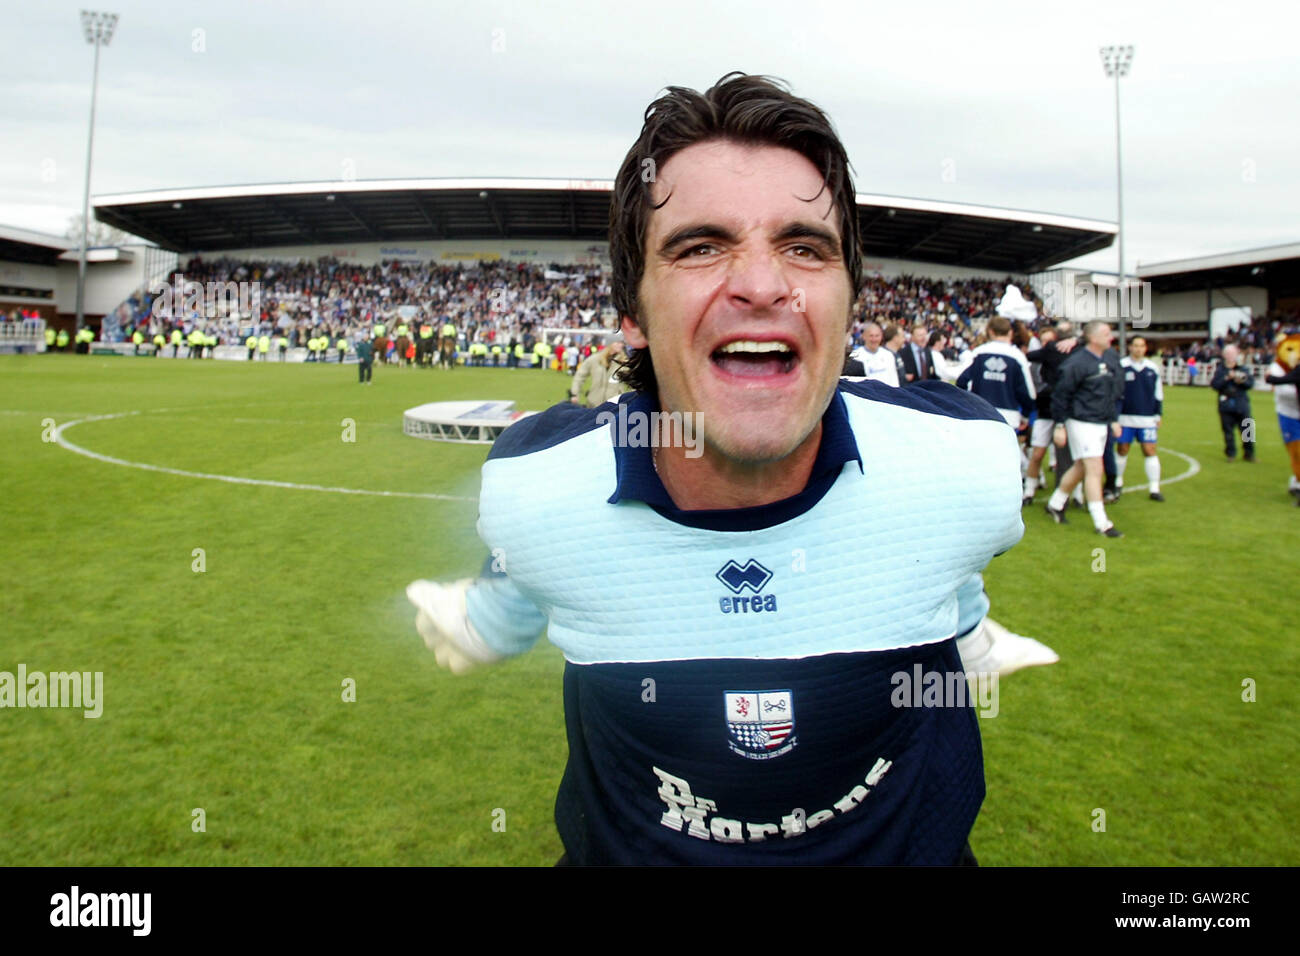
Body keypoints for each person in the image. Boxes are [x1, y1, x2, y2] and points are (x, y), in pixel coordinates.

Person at [404, 73, 1023, 865]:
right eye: (701, 247)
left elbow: (951, 549)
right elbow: (526, 569)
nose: (763, 286)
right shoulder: (540, 489)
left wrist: (971, 636)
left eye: (804, 247)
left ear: (850, 300)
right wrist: (489, 622)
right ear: (631, 313)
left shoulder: (966, 465)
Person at [1045, 320, 1124, 537]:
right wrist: (1060, 424)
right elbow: (1061, 394)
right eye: (1106, 334)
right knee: (1094, 468)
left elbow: (1113, 391)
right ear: (1093, 337)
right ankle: (1102, 523)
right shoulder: (1076, 363)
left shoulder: (1110, 357)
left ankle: (1055, 503)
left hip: (1101, 421)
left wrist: (1113, 418)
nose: (1111, 338)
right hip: (1081, 420)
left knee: (1081, 467)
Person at [1023, 322, 1078, 505]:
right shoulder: (1038, 361)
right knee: (1037, 453)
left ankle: (1076, 493)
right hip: (1045, 409)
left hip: (1067, 410)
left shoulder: (1070, 350)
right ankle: (1029, 490)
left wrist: (1075, 340)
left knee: (1073, 456)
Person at [955, 316, 1035, 432]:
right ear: (1010, 332)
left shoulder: (979, 353)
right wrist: (1025, 416)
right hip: (1008, 418)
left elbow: (962, 381)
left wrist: (969, 405)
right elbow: (1028, 393)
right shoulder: (1017, 356)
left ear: (990, 331)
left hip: (980, 415)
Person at [1115, 335, 1165, 501]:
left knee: (1150, 450)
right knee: (1122, 449)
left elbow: (1158, 393)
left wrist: (1158, 414)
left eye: (1141, 346)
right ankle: (1117, 481)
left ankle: (1154, 488)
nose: (1138, 349)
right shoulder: (1122, 366)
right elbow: (1116, 393)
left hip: (1147, 418)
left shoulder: (1152, 368)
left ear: (1145, 348)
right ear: (1130, 347)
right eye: (1135, 346)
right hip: (1125, 417)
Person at [1263, 333, 1300, 503]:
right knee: (1296, 452)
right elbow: (1283, 386)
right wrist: (1270, 378)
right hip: (1289, 414)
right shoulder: (1280, 367)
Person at [1211, 345, 1255, 462]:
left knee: (1248, 430)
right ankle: (1231, 454)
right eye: (1228, 354)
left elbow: (1250, 384)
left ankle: (1249, 453)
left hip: (1242, 404)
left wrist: (1240, 380)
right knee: (1228, 431)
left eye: (1233, 354)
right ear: (1224, 355)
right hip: (1226, 405)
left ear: (1237, 355)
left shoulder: (1243, 369)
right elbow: (1215, 385)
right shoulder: (1220, 370)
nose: (1230, 356)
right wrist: (1226, 378)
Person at [569, 341, 628, 407]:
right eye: (617, 342)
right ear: (610, 342)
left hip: (615, 405)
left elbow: (634, 382)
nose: (620, 345)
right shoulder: (594, 359)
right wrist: (574, 393)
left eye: (622, 343)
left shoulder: (624, 362)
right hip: (593, 403)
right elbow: (579, 376)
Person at [849, 320, 898, 386]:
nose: (874, 339)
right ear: (864, 337)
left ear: (881, 337)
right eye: (871, 336)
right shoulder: (855, 355)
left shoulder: (888, 355)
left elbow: (894, 381)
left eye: (877, 336)